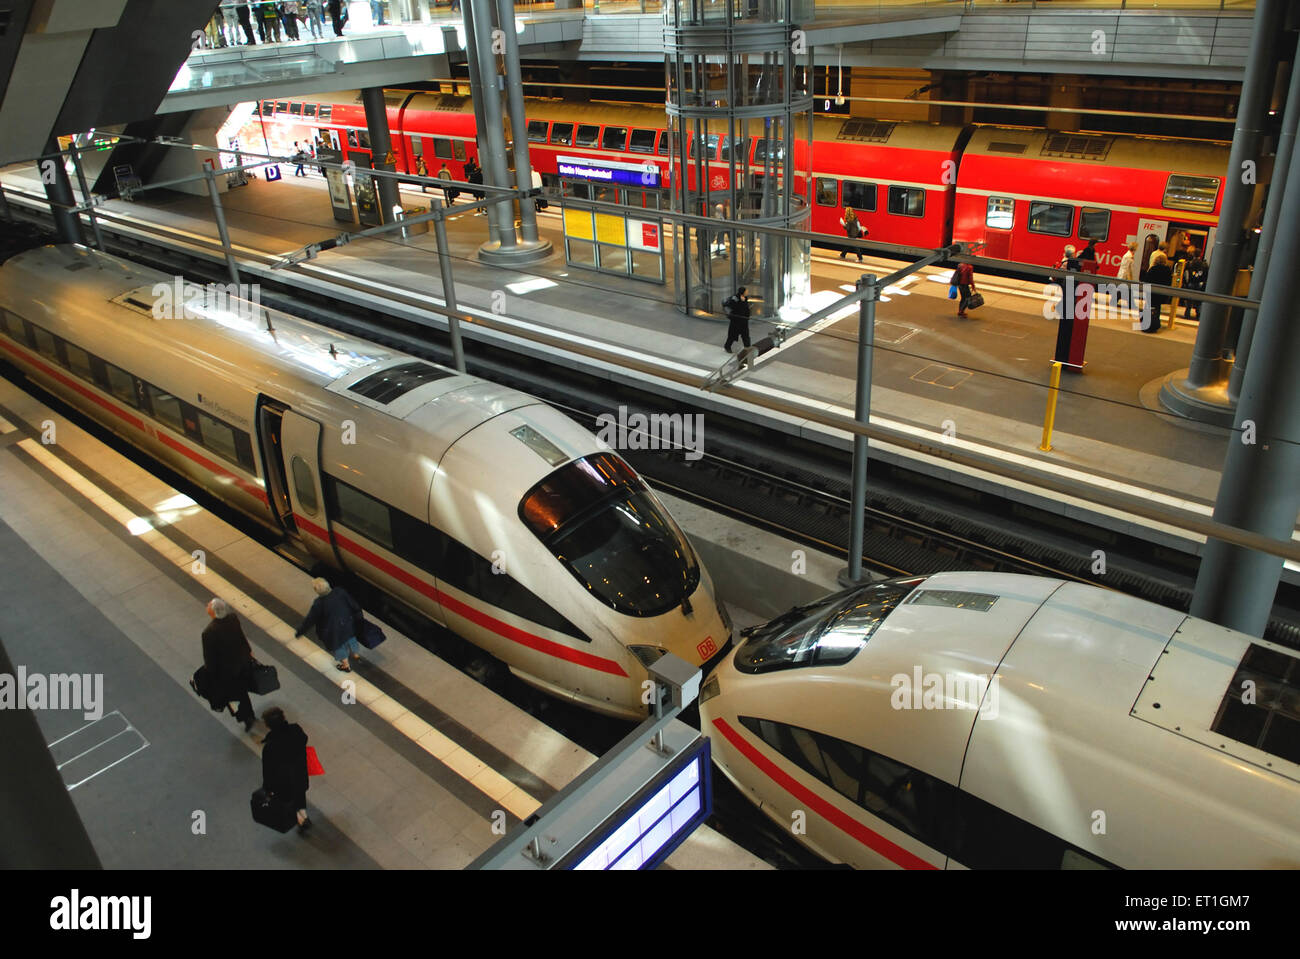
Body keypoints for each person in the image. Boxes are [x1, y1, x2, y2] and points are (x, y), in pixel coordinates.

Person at [201, 598, 257, 732]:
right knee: (242, 690)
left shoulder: (208, 632)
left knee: (233, 696)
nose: (206, 605)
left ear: (213, 612)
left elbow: (210, 657)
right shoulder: (233, 618)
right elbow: (241, 637)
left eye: (208, 604)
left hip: (226, 672)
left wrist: (211, 674)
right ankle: (250, 714)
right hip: (242, 662)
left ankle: (246, 717)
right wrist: (248, 653)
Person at [294, 577, 364, 671]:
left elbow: (310, 620)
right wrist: (359, 617)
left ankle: (346, 665)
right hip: (347, 623)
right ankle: (356, 655)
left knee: (339, 646)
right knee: (350, 638)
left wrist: (300, 632)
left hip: (333, 631)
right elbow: (353, 604)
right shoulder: (340, 592)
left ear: (316, 590)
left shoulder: (319, 604)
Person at [261, 707, 311, 833]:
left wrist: (267, 788)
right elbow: (304, 739)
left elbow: (268, 770)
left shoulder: (270, 746)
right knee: (300, 796)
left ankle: (299, 819)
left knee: (289, 801)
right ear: (283, 718)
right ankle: (303, 816)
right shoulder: (295, 729)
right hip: (299, 774)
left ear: (268, 725)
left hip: (283, 782)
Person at [1145, 252, 1173, 333]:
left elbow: (1147, 280)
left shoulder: (1152, 269)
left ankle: (1147, 324)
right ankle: (1155, 323)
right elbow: (1169, 282)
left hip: (1151, 293)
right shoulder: (1167, 270)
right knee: (1157, 308)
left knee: (1148, 307)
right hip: (1160, 294)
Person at [723, 287, 751, 353]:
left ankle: (748, 349)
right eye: (746, 291)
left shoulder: (745, 298)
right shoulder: (735, 299)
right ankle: (727, 346)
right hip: (736, 321)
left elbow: (746, 309)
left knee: (746, 336)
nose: (747, 292)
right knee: (732, 335)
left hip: (744, 321)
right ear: (743, 292)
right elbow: (735, 308)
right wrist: (741, 302)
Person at [1183, 247, 1208, 319]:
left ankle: (1187, 313)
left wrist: (1185, 282)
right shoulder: (1204, 264)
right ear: (1201, 254)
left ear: (1193, 254)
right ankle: (1198, 314)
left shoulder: (1189, 263)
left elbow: (1185, 273)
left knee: (1189, 300)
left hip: (1191, 282)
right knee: (1198, 300)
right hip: (1200, 283)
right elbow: (1206, 274)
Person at [1115, 240, 1137, 310]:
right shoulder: (1129, 256)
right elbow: (1128, 268)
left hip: (1123, 275)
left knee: (1123, 290)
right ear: (1134, 249)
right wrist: (1130, 278)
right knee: (1128, 289)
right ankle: (1131, 304)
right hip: (1125, 276)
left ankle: (1130, 304)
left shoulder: (1128, 255)